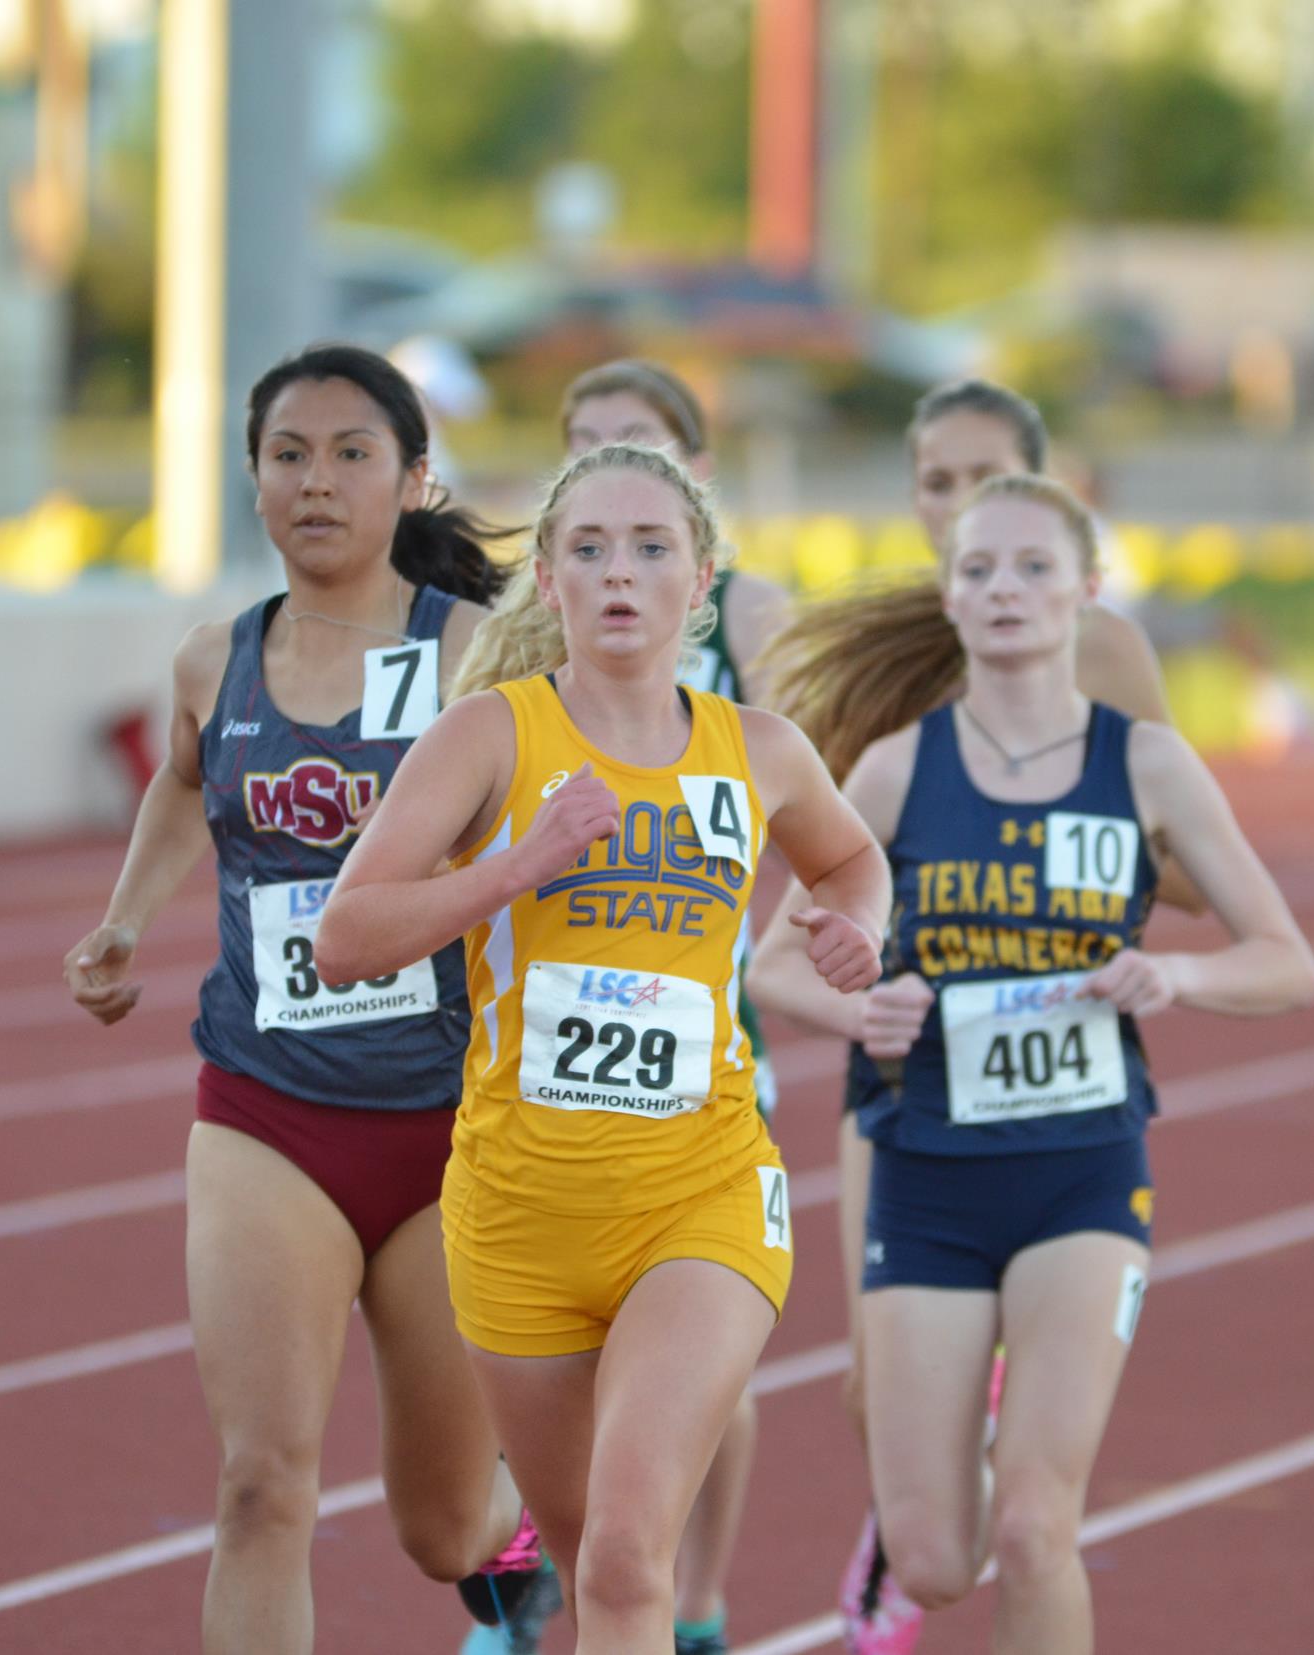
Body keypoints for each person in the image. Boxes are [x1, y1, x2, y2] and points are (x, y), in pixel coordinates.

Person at [314, 442, 888, 1652]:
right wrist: (520, 862)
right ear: (551, 585)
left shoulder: (759, 746)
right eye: (586, 549)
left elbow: (848, 858)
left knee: (633, 1559)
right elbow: (347, 938)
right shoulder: (489, 735)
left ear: (702, 579)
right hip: (518, 1212)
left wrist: (851, 929)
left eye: (648, 548)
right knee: (587, 1572)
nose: (618, 573)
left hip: (705, 1193)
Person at [748, 473, 1314, 1651]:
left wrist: (1178, 976)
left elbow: (1285, 960)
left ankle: (1025, 1450)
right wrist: (865, 1016)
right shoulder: (900, 771)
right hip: (927, 1170)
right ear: (948, 598)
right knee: (935, 1554)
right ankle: (905, 1538)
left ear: (1087, 592)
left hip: (1083, 1172)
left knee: (1035, 1528)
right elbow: (772, 966)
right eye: (978, 570)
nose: (1004, 589)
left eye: (1032, 568)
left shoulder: (1146, 763)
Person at [60, 345, 555, 1654]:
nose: (317, 480)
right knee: (259, 1482)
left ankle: (513, 1538)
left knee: (439, 1525)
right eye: (289, 453)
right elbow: (180, 781)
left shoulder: (480, 657)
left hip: (454, 1128)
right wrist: (123, 919)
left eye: (351, 453)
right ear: (253, 480)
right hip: (266, 1108)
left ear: (410, 478)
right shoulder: (212, 659)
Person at [549, 359, 789, 1655]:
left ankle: (689, 1594)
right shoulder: (547, 612)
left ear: (692, 468)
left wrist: (781, 939)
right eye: (579, 447)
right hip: (542, 1028)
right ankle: (573, 1579)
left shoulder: (753, 615)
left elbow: (817, 795)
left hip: (706, 1015)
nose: (601, 461)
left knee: (695, 1332)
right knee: (560, 1343)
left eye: (632, 444)